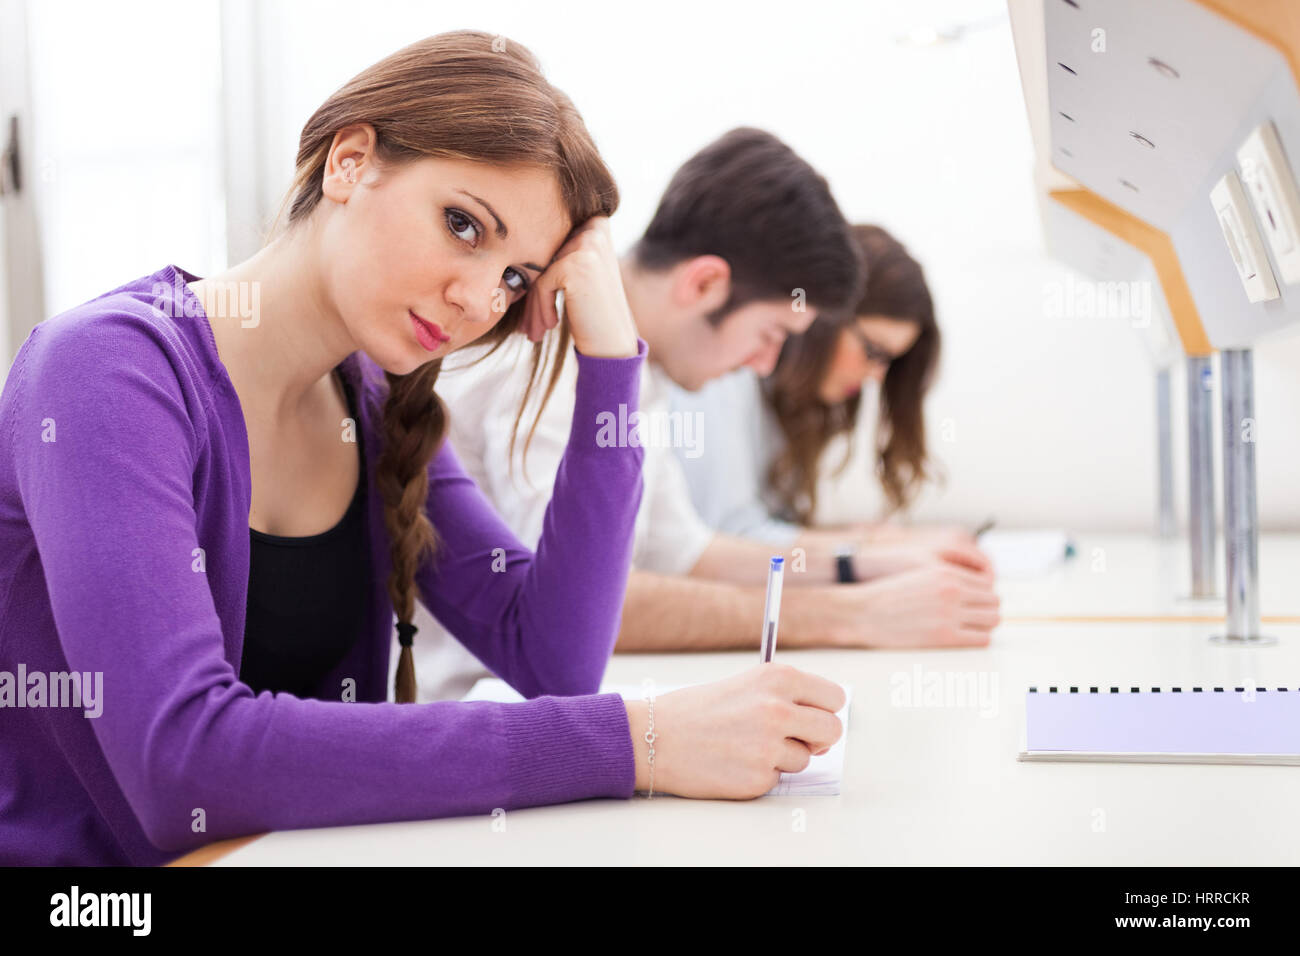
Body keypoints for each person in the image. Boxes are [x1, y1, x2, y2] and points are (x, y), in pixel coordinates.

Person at [0, 32, 843, 867]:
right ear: (350, 162)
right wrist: (638, 740)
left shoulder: (372, 404)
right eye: (463, 225)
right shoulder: (105, 372)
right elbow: (184, 760)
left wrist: (612, 362)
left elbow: (554, 657)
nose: (480, 300)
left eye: (516, 278)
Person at [415, 132, 997, 703]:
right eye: (772, 333)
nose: (766, 365)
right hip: (470, 706)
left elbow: (685, 552)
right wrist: (854, 615)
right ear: (705, 283)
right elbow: (583, 606)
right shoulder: (547, 349)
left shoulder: (645, 370)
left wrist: (865, 565)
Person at [671, 224, 978, 568]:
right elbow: (731, 538)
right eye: (874, 351)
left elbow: (768, 528)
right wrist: (872, 550)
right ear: (823, 318)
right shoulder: (724, 376)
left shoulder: (790, 404)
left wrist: (872, 542)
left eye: (889, 362)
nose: (877, 376)